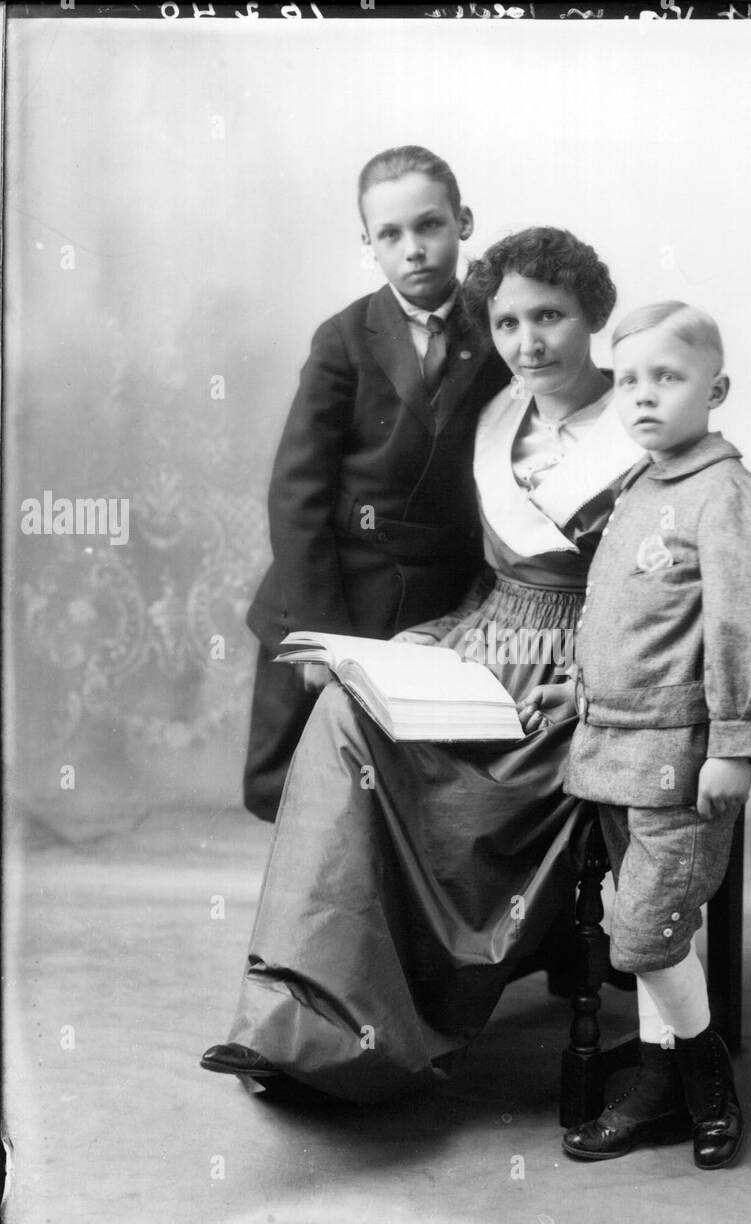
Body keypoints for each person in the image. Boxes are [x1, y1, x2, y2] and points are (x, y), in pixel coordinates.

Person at [202, 228, 643, 1101]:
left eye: (550, 316)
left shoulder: (644, 427)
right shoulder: (496, 419)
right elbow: (491, 576)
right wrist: (441, 634)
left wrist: (594, 689)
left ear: (593, 313)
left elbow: (667, 609)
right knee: (346, 717)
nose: (528, 342)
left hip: (581, 677)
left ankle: (376, 1034)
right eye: (509, 322)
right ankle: (299, 1021)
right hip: (487, 650)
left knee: (463, 792)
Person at [560, 301, 751, 1170]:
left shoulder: (726, 497)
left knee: (644, 938)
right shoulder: (637, 490)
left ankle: (703, 1080)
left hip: (681, 762)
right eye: (627, 382)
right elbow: (619, 620)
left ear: (716, 389)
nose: (644, 397)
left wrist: (734, 742)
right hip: (610, 752)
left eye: (668, 377)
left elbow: (746, 628)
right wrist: (575, 688)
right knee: (652, 928)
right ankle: (660, 1082)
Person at [243, 145, 510, 822]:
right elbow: (296, 494)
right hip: (333, 589)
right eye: (390, 235)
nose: (413, 249)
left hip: (436, 604)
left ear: (464, 222)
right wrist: (319, 636)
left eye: (429, 226)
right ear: (369, 244)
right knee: (308, 792)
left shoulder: (503, 329)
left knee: (423, 795)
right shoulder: (345, 338)